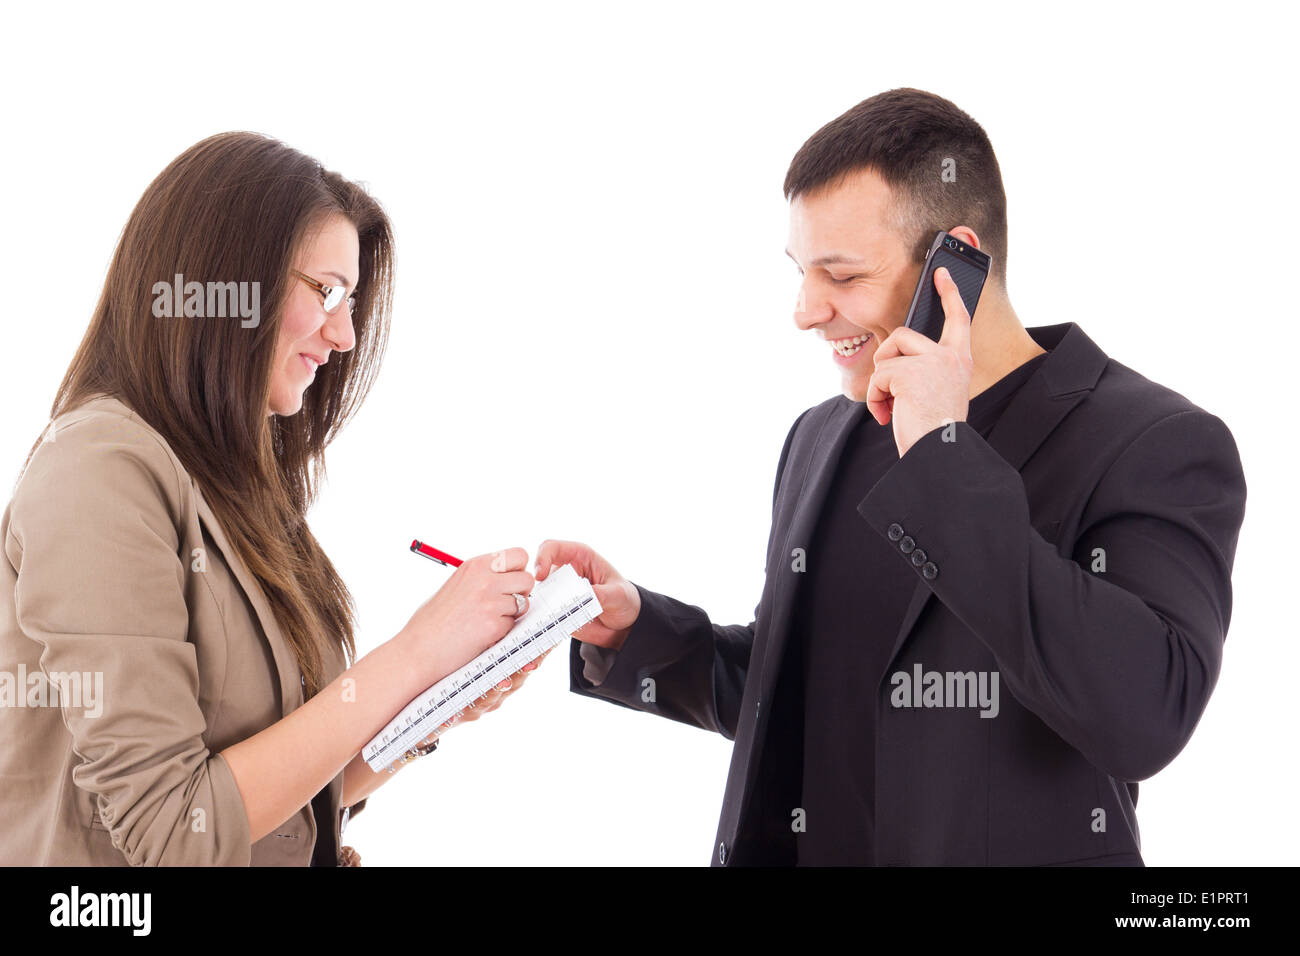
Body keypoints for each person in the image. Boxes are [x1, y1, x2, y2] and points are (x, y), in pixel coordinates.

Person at [537, 88, 1248, 866]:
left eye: (840, 275)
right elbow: (806, 693)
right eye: (801, 272)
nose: (806, 311)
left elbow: (1144, 714)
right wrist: (636, 630)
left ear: (957, 264)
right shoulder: (822, 435)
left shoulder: (1154, 441)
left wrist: (945, 454)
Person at [0, 131, 545, 866]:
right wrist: (414, 654)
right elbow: (174, 830)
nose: (346, 334)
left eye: (352, 301)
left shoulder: (229, 488)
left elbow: (284, 804)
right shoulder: (99, 470)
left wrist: (427, 703)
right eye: (327, 291)